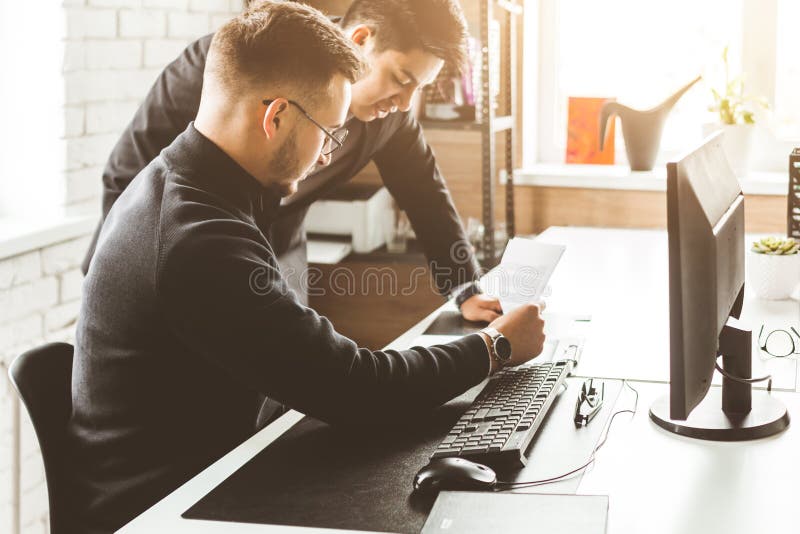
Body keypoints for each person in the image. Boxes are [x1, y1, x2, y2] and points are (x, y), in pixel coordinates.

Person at [68, 3, 546, 532]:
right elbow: (358, 388)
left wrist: (461, 285)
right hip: (171, 502)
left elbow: (423, 189)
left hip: (219, 412)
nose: (329, 156)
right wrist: (495, 346)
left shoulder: (186, 181)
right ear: (274, 117)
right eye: (328, 133)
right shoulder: (198, 236)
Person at [82, 0, 503, 324]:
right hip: (174, 263)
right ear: (360, 41)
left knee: (289, 392)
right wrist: (124, 287)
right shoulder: (236, 64)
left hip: (279, 255)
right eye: (401, 80)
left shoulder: (391, 120)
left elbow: (425, 194)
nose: (404, 105)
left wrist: (465, 290)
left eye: (421, 89)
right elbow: (129, 173)